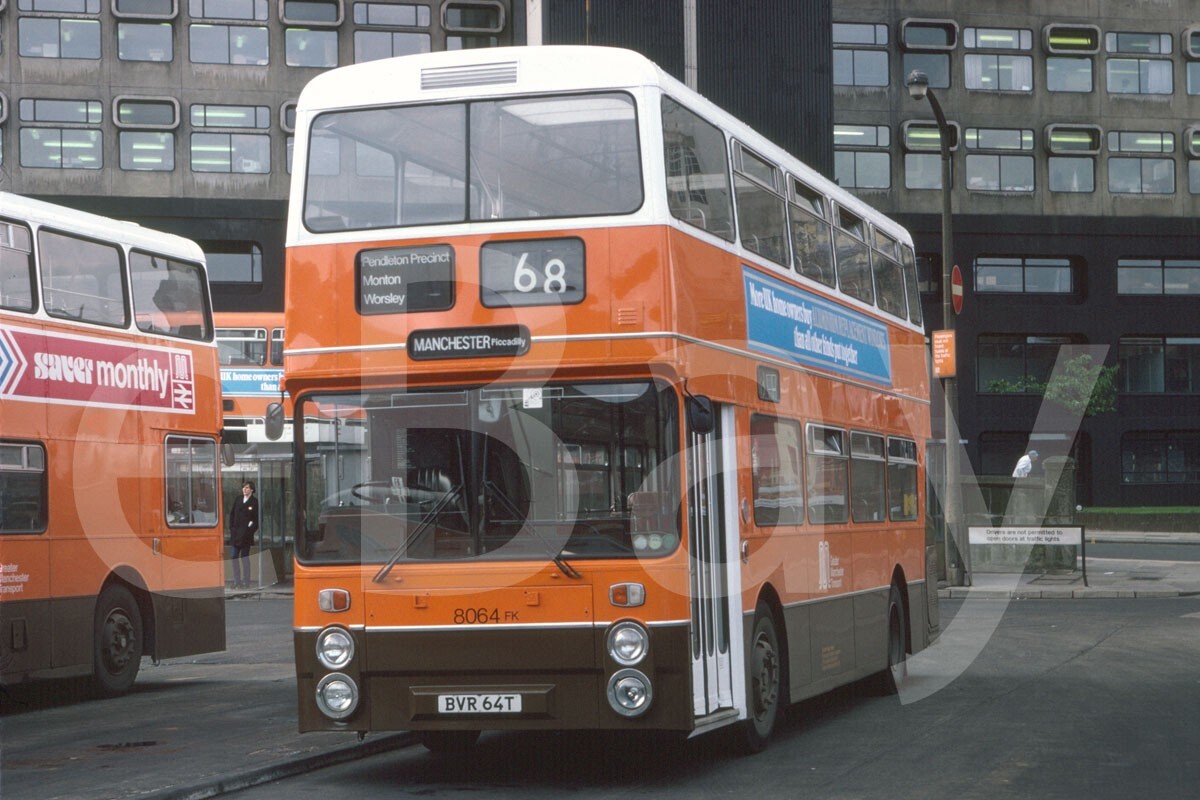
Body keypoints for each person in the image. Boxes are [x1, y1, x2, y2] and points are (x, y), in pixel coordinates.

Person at [229, 480, 259, 589]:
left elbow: (256, 520)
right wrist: (232, 529)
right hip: (236, 534)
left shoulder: (254, 502)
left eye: (247, 487)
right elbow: (232, 514)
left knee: (245, 558)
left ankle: (246, 582)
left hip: (246, 536)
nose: (244, 489)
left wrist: (249, 531)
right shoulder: (238, 500)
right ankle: (237, 581)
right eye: (243, 487)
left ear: (251, 489)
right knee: (233, 557)